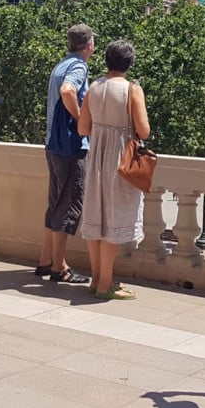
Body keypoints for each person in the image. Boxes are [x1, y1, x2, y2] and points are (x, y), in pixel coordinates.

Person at [78, 40, 149, 300]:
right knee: (114, 218)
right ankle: (106, 282)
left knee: (97, 215)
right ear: (129, 63)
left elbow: (83, 128)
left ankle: (96, 279)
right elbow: (144, 130)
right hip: (120, 157)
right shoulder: (132, 90)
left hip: (96, 155)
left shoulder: (93, 88)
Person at [34, 24, 93, 285]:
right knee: (69, 204)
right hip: (70, 146)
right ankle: (59, 266)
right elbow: (68, 91)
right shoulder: (78, 66)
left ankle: (46, 260)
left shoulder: (61, 64)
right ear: (89, 45)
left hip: (53, 145)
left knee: (56, 203)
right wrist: (82, 121)